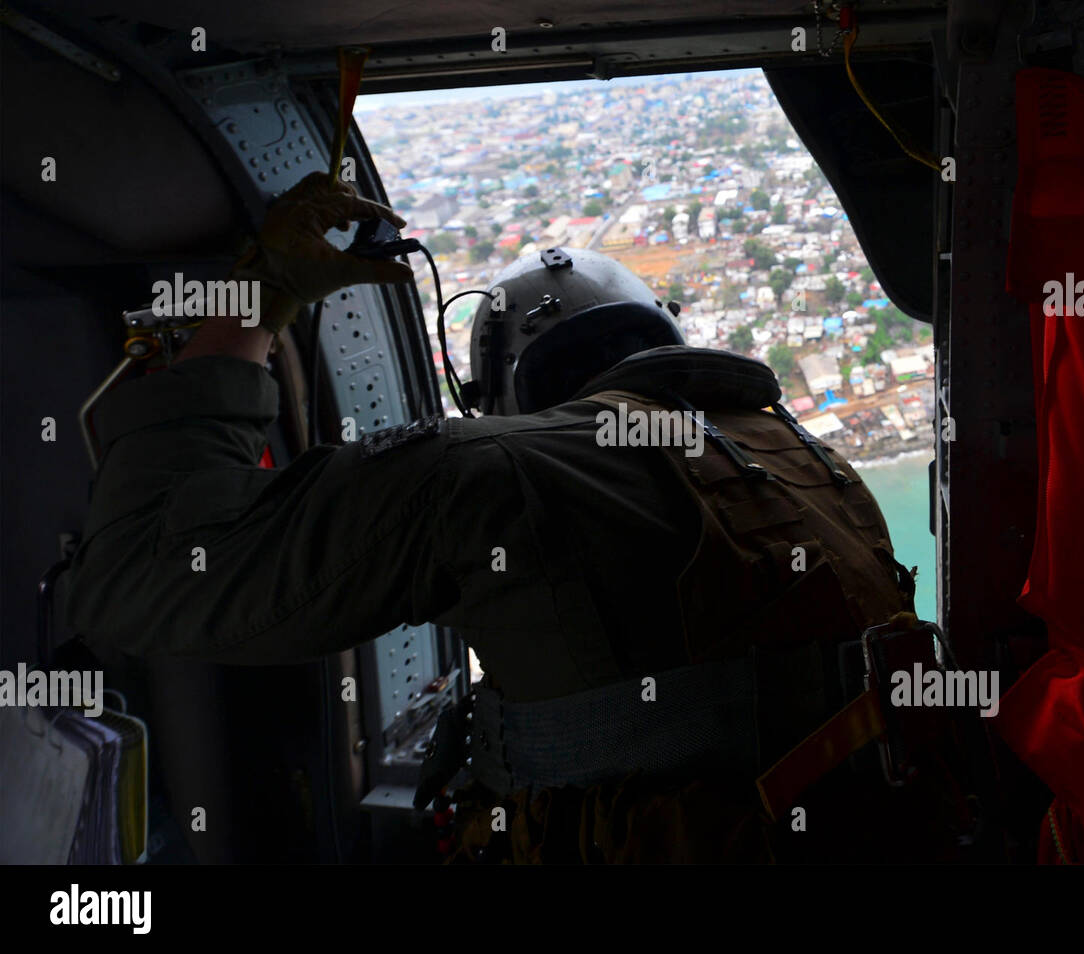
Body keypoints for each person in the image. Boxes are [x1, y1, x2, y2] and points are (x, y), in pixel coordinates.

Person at [62, 172, 940, 862]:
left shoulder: (490, 474)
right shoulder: (809, 462)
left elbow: (141, 574)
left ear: (500, 393)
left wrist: (260, 294)